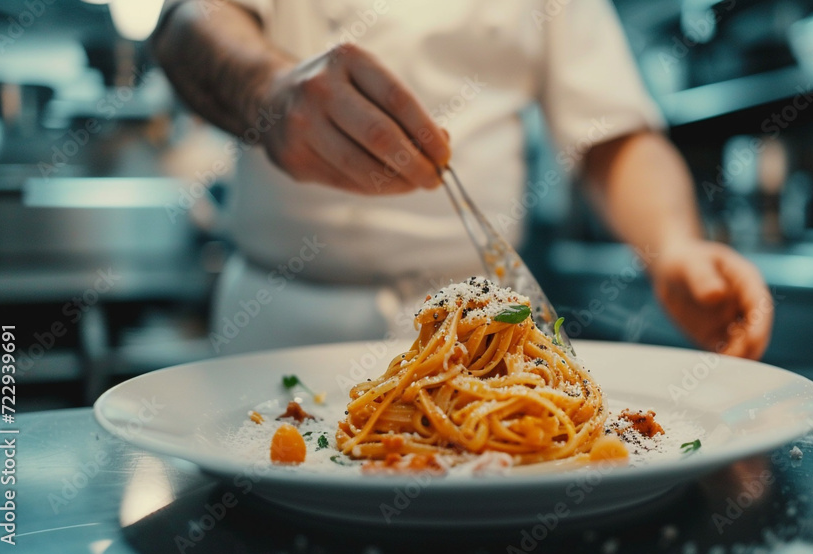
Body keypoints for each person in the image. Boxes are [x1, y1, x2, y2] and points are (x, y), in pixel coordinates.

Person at [153, 0, 773, 360]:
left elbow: (611, 131)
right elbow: (187, 26)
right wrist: (267, 89)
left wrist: (676, 247)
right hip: (277, 329)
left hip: (478, 332)